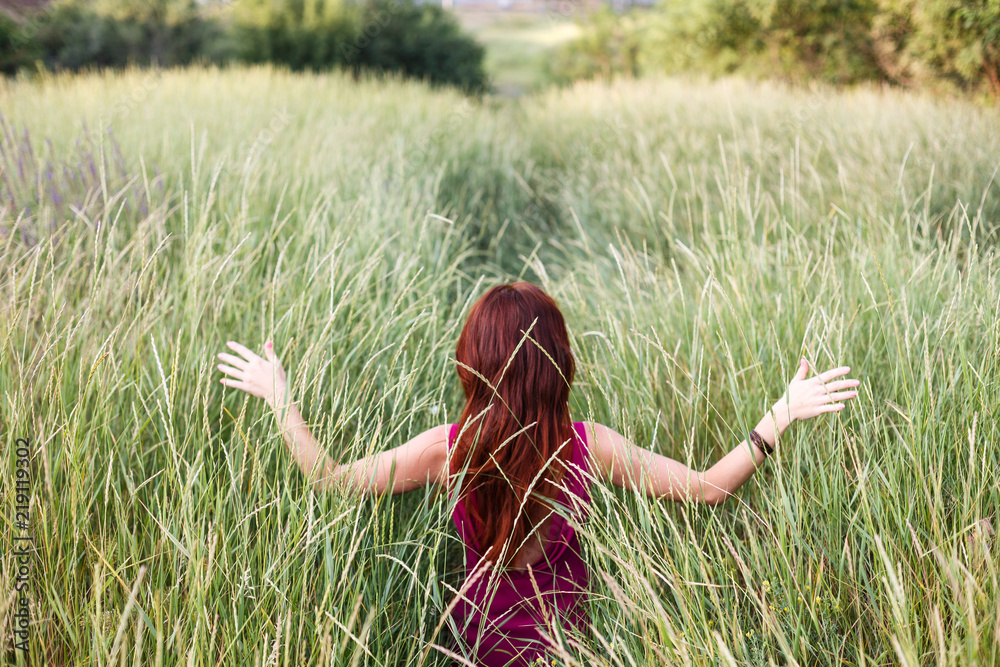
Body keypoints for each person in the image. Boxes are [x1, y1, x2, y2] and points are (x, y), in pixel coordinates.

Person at [216, 281, 860, 666]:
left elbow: (332, 480)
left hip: (477, 649)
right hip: (566, 650)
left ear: (474, 361)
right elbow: (706, 489)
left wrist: (281, 400)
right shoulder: (588, 446)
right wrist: (778, 416)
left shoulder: (449, 449)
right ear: (558, 362)